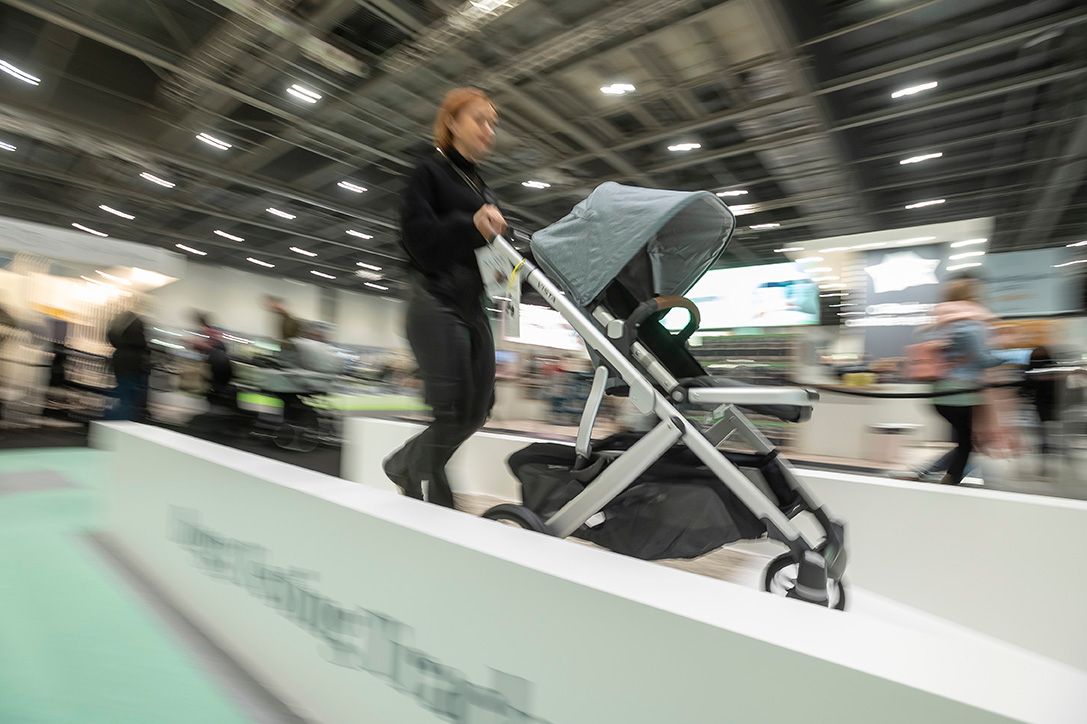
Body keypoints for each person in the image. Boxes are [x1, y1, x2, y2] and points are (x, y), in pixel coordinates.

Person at [382, 86, 506, 508]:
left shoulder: (481, 185)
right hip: (434, 299)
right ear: (451, 122)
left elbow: (486, 253)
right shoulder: (427, 172)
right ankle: (432, 487)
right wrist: (470, 224)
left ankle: (405, 464)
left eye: (493, 123)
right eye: (479, 120)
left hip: (473, 305)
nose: (489, 130)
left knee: (478, 409)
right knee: (452, 411)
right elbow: (419, 243)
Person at [922, 275, 1005, 485]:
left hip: (939, 392)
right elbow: (982, 359)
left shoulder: (941, 322)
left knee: (964, 441)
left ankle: (929, 473)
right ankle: (949, 480)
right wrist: (1011, 356)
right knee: (968, 443)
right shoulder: (971, 324)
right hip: (961, 393)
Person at [106, 307, 151, 421]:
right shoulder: (142, 352)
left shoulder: (120, 353)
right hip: (135, 407)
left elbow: (125, 386)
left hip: (128, 405)